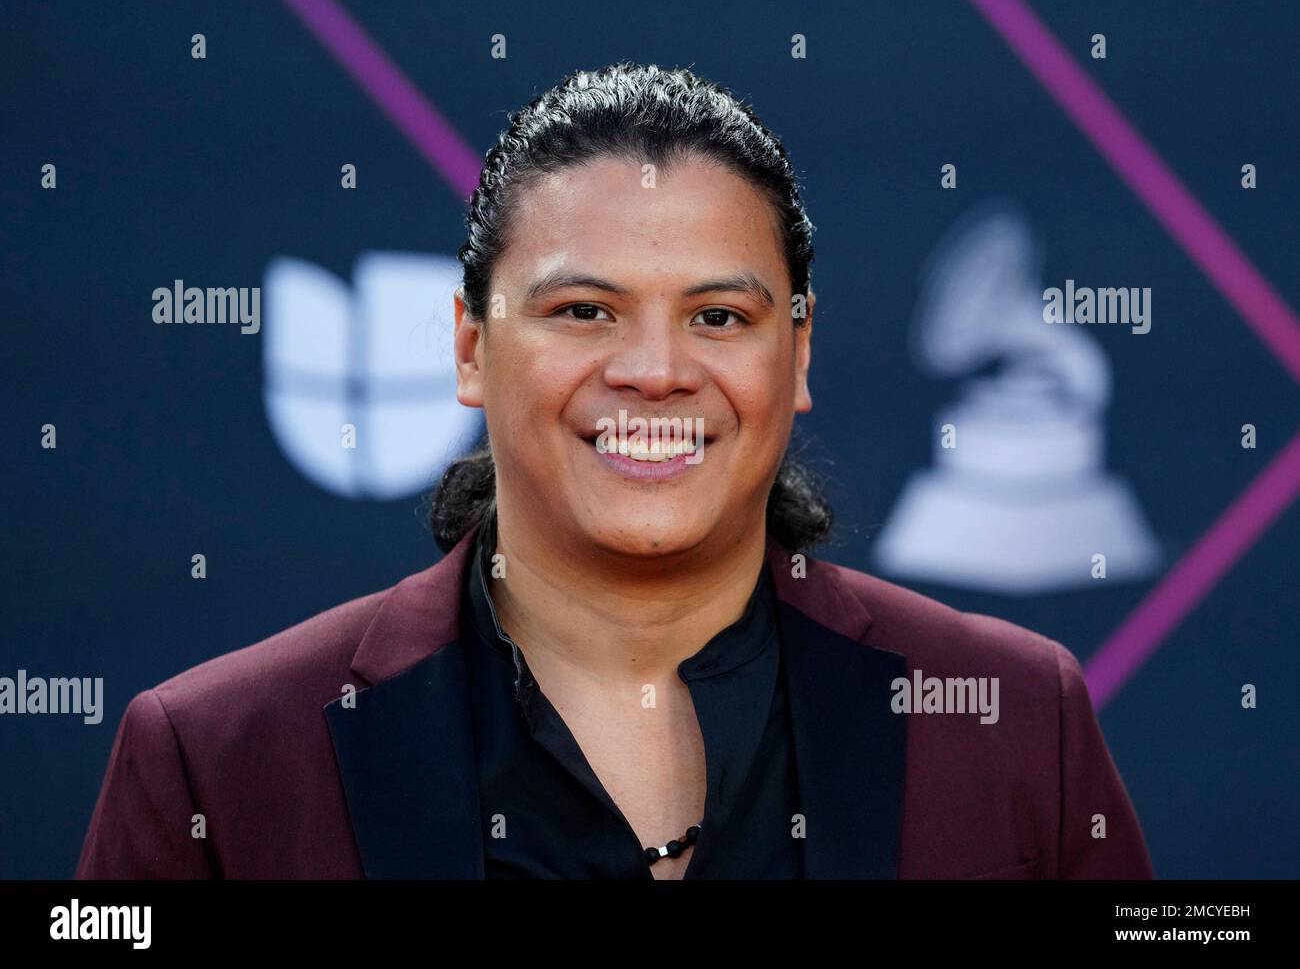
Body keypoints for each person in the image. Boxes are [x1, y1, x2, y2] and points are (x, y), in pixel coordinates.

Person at [77, 62, 1153, 880]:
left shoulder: (1016, 722)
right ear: (467, 347)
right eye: (583, 311)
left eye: (719, 316)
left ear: (801, 353)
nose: (652, 372)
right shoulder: (215, 759)